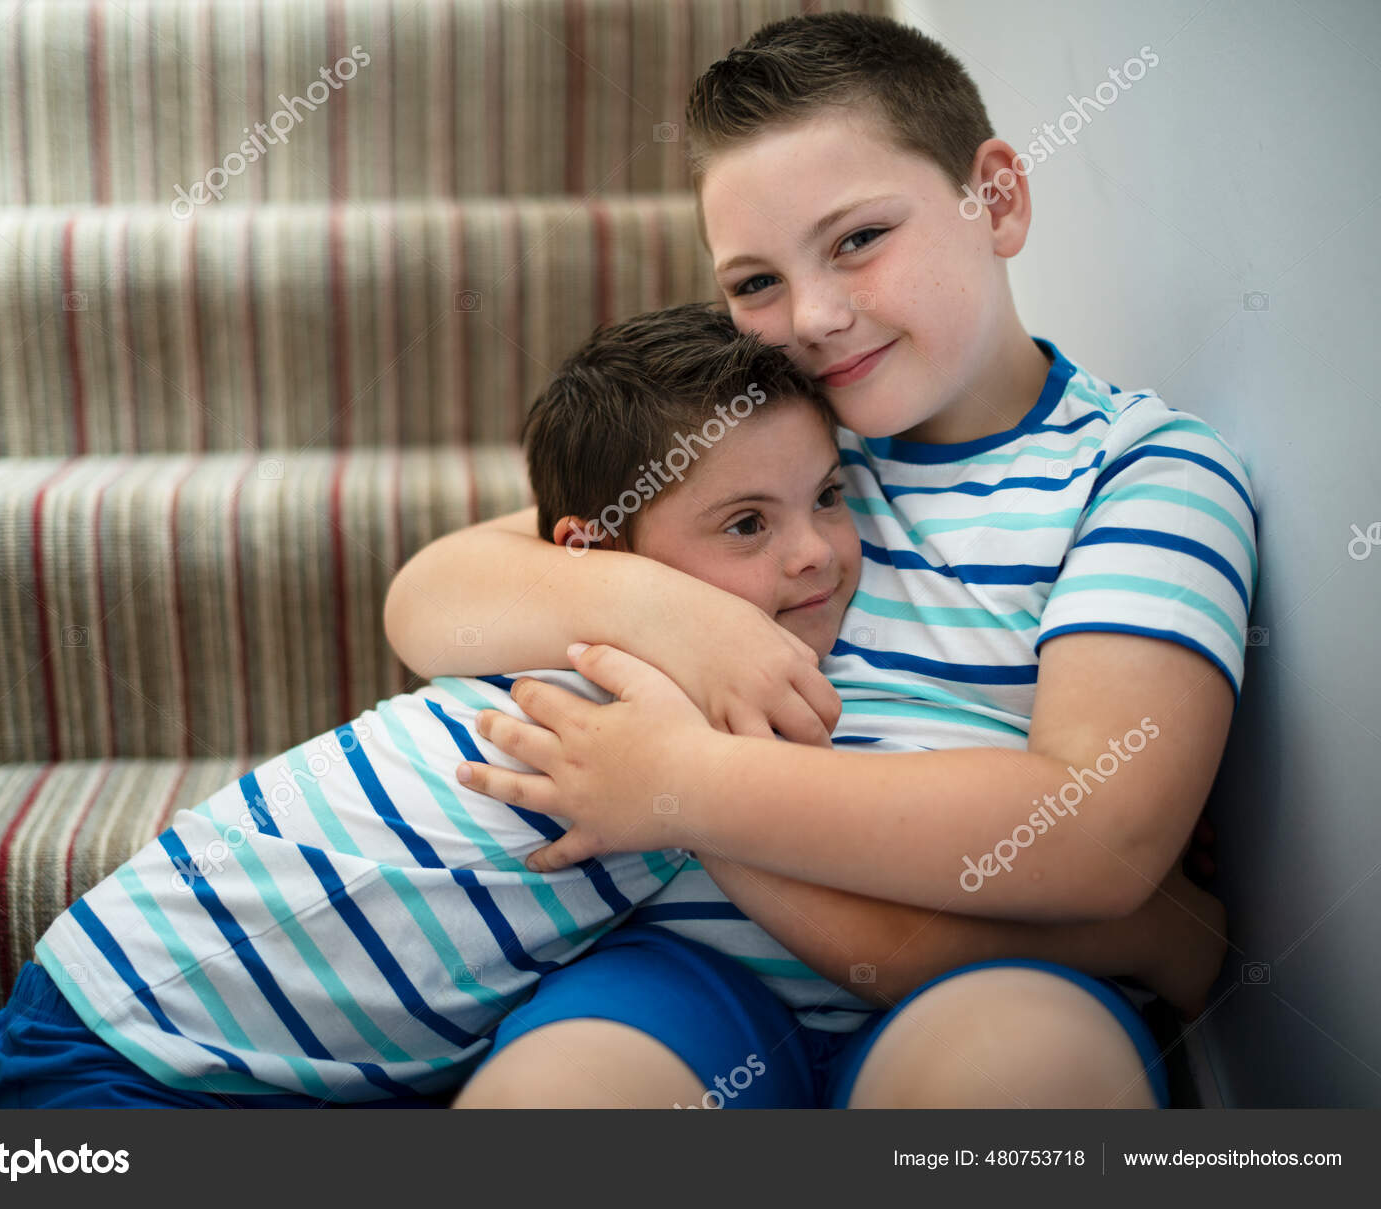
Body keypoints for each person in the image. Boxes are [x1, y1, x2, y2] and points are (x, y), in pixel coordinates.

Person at [386, 12, 1256, 1110]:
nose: (814, 317)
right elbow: (433, 597)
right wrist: (677, 617)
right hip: (675, 975)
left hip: (993, 971)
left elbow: (1100, 833)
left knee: (1024, 1079)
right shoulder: (773, 444)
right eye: (754, 283)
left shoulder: (1138, 471)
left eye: (856, 240)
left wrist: (685, 784)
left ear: (995, 198)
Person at [0, 304, 866, 1107]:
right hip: (126, 1047)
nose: (813, 554)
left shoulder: (581, 641)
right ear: (593, 554)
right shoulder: (656, 703)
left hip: (283, 1063)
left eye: (828, 496)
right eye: (747, 523)